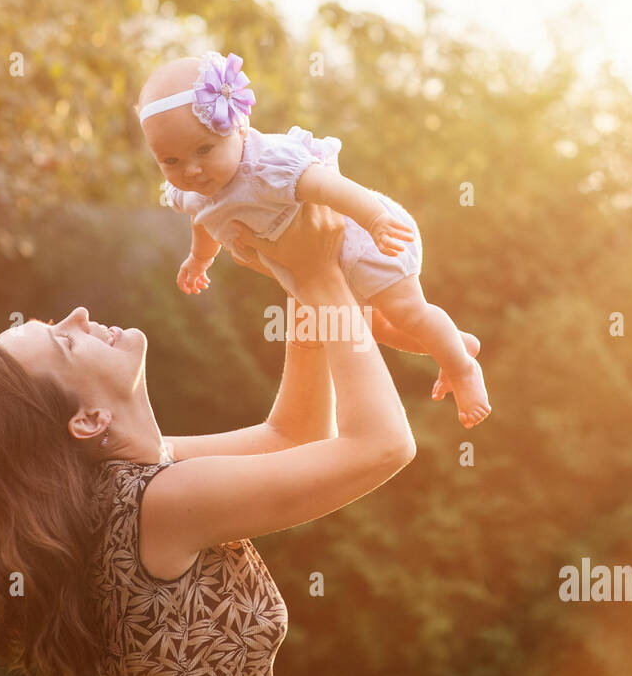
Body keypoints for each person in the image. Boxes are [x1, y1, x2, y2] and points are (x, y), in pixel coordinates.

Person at [0, 202, 416, 676]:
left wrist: (301, 275)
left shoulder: (132, 485)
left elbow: (293, 436)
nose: (80, 316)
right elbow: (383, 446)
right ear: (87, 420)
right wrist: (325, 280)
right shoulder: (158, 503)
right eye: (64, 342)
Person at [136, 49, 492, 429]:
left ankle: (463, 369)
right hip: (322, 267)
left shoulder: (267, 164)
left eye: (204, 149)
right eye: (170, 161)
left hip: (362, 241)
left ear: (239, 126)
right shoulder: (193, 190)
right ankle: (453, 345)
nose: (190, 170)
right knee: (375, 327)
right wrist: (200, 259)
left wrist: (374, 220)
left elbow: (329, 187)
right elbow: (203, 220)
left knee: (407, 311)